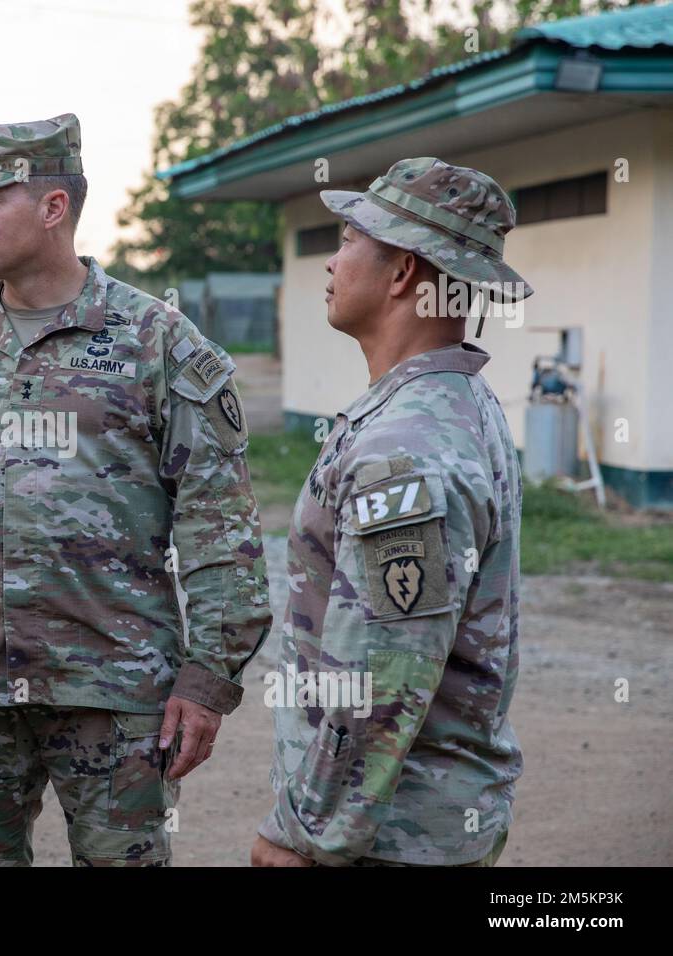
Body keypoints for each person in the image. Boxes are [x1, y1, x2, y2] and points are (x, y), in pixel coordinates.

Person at [0, 114, 271, 866]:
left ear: (54, 208)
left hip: (114, 693)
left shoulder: (158, 342)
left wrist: (210, 676)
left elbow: (217, 526)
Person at [251, 157, 528, 867]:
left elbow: (380, 679)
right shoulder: (445, 408)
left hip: (382, 838)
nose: (331, 262)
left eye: (348, 238)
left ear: (403, 272)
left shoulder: (408, 446)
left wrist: (303, 836)